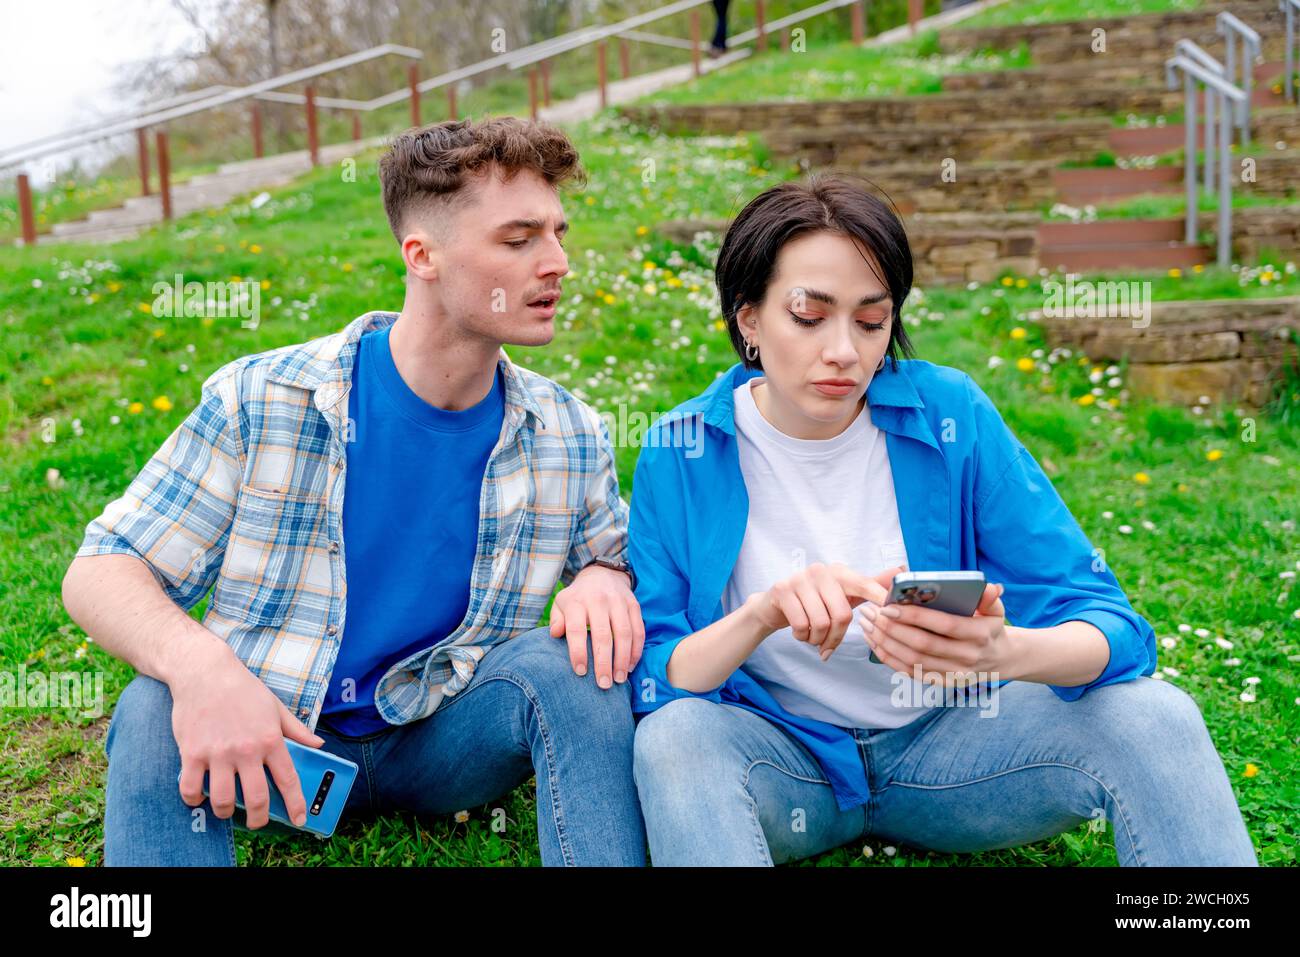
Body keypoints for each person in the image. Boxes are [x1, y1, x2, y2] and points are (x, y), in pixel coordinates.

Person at [63, 117, 647, 867]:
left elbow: (626, 557)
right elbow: (103, 566)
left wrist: (606, 575)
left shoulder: (569, 429)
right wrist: (203, 667)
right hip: (272, 747)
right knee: (153, 702)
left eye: (559, 233)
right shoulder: (264, 397)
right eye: (519, 238)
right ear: (422, 255)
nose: (559, 262)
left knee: (578, 669)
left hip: (443, 743)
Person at [626, 174, 1258, 867]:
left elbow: (1111, 626)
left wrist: (1003, 652)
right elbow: (662, 676)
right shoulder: (679, 446)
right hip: (784, 762)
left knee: (1157, 716)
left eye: (872, 320)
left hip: (952, 750)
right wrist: (762, 614)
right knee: (675, 738)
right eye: (809, 315)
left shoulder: (951, 412)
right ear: (748, 318)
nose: (844, 350)